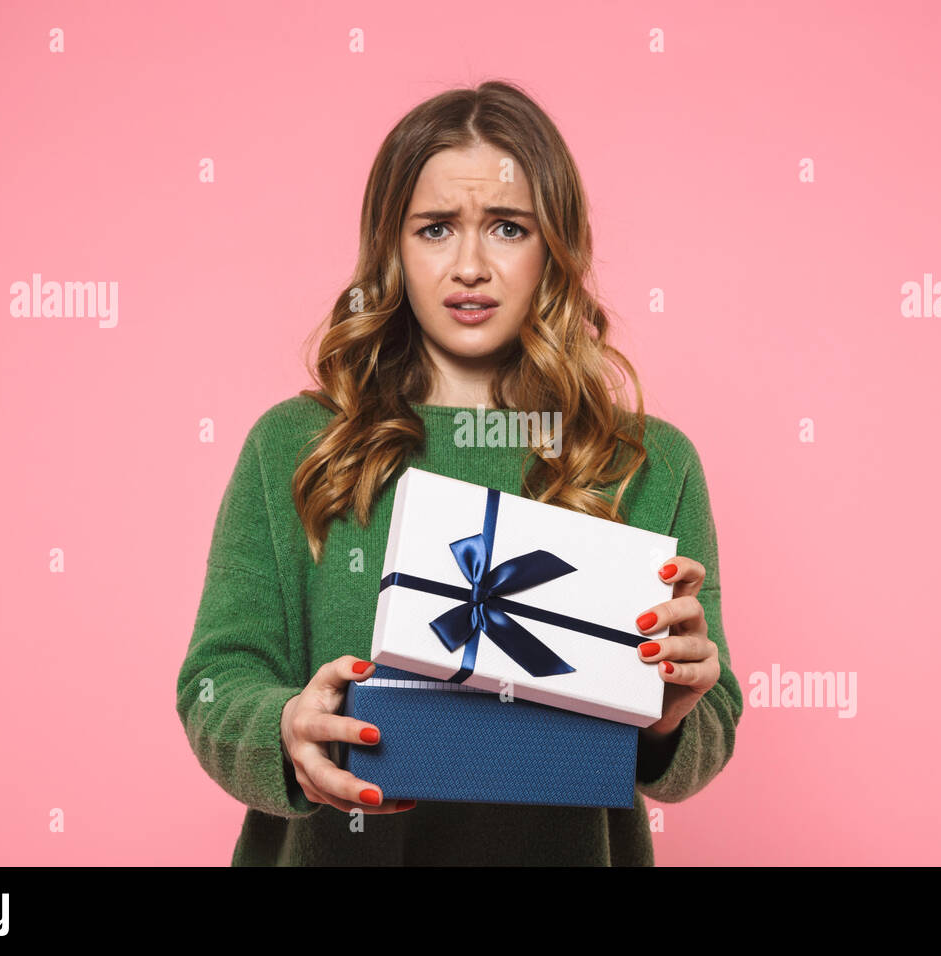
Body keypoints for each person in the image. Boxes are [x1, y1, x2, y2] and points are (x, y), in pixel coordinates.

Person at [175, 79, 743, 866]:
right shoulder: (295, 445)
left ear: (554, 246)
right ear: (393, 247)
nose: (470, 265)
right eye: (436, 228)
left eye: (508, 227)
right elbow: (220, 674)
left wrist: (675, 710)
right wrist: (283, 725)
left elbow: (708, 724)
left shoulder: (648, 463)